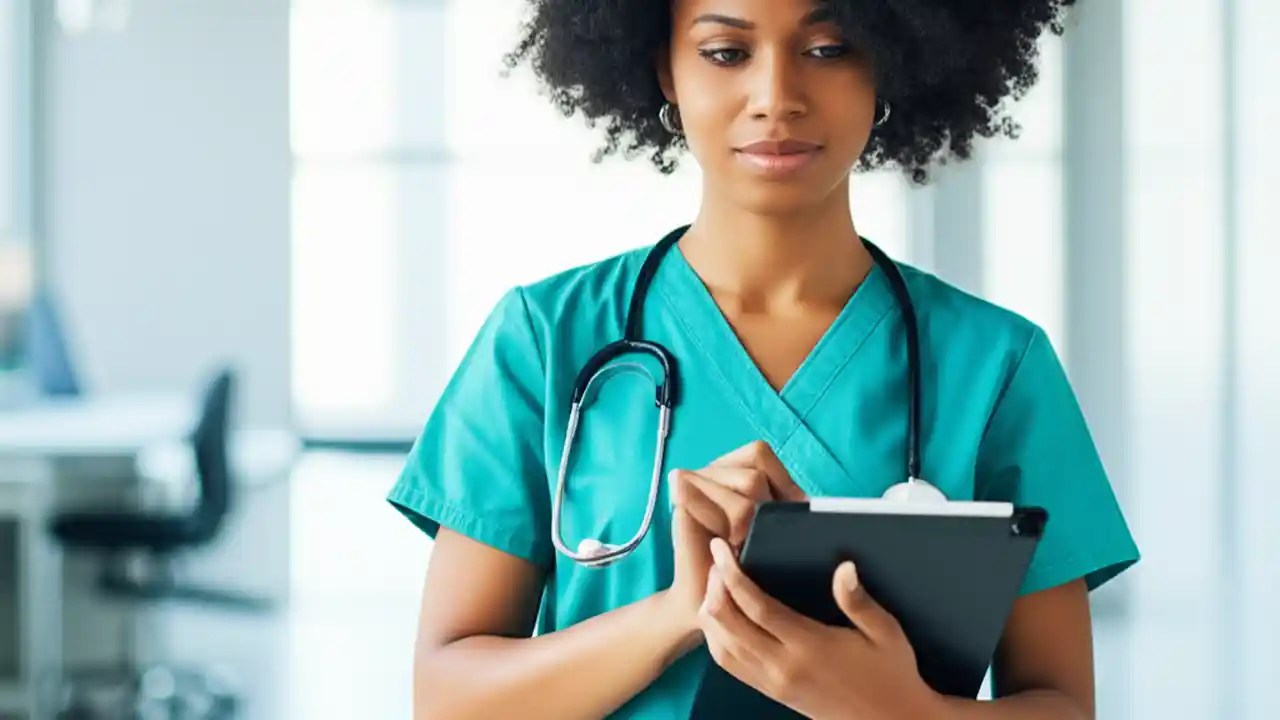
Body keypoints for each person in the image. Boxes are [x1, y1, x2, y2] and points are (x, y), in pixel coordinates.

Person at [387, 0, 1140, 717]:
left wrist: (898, 711)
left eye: (828, 48)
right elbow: (447, 700)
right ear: (664, 71)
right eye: (725, 52)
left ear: (894, 62)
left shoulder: (997, 367)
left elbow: (1062, 705)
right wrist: (678, 614)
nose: (776, 95)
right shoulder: (545, 340)